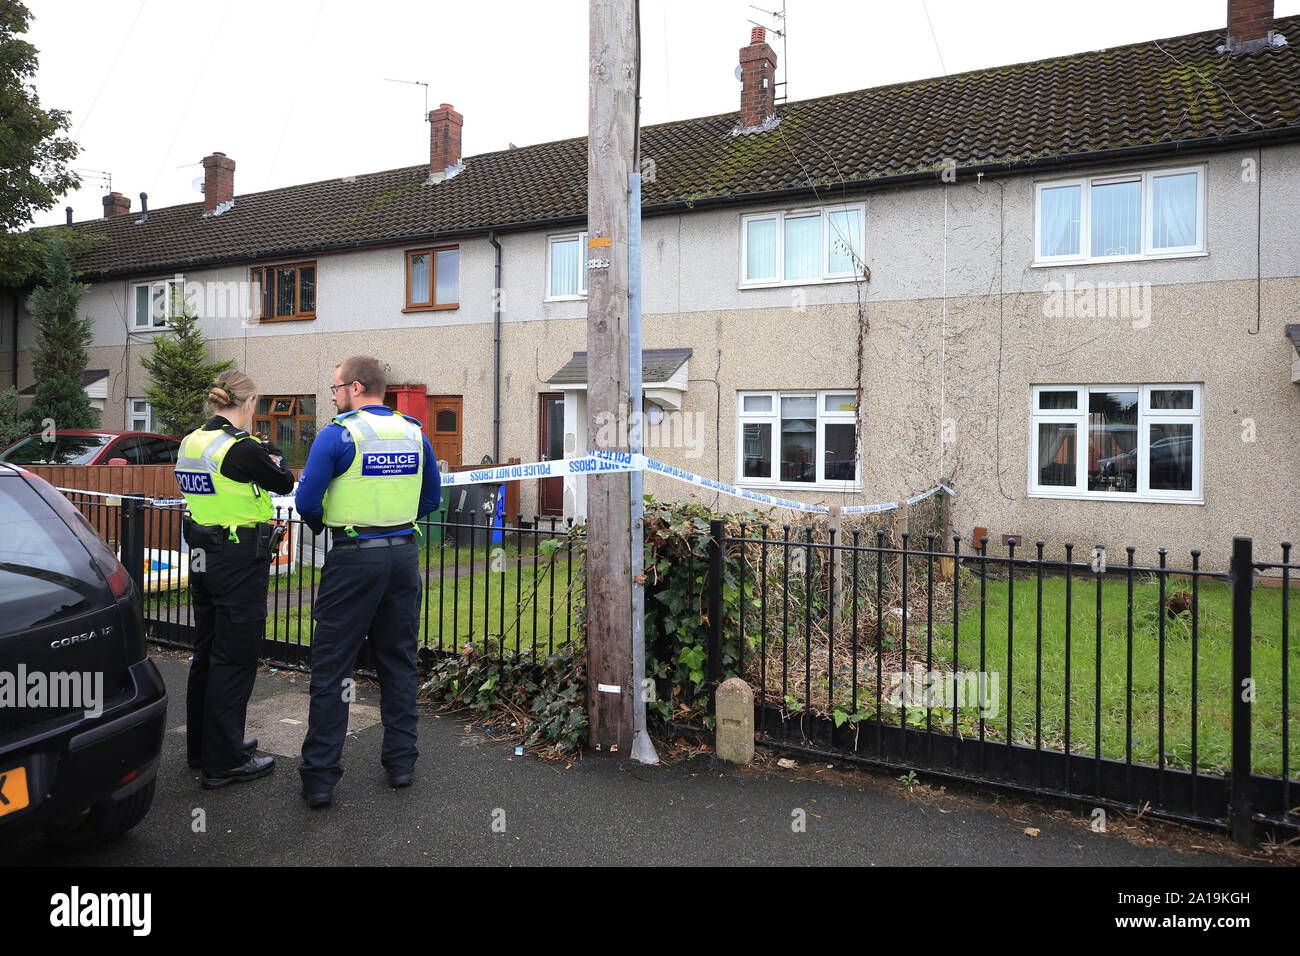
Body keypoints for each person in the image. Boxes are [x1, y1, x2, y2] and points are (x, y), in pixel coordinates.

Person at [294, 356, 441, 808]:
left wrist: (337, 521)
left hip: (354, 559)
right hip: (402, 556)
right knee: (398, 661)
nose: (334, 394)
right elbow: (432, 498)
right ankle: (401, 764)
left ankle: (320, 779)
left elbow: (307, 501)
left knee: (332, 666)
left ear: (356, 388)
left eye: (336, 387)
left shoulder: (338, 434)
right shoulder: (415, 431)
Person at [174, 370, 296, 788]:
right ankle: (224, 762)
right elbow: (284, 480)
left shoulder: (193, 441)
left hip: (202, 551)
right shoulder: (240, 448)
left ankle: (204, 747)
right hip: (237, 556)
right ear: (248, 404)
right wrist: (266, 444)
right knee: (235, 655)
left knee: (207, 650)